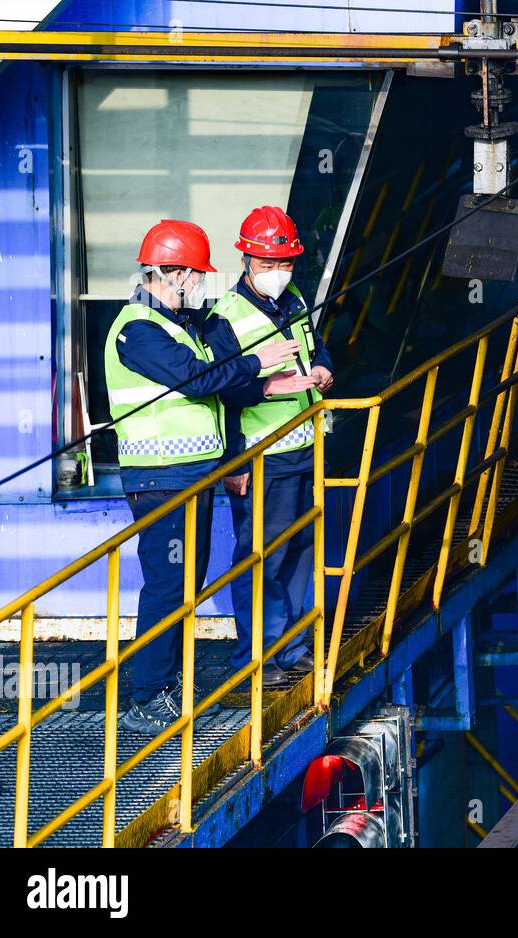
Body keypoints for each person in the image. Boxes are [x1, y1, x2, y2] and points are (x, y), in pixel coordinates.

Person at [105, 219, 314, 735]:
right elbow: (201, 382)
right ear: (167, 272)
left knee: (185, 587)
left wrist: (228, 460)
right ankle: (145, 698)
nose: (200, 283)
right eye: (195, 274)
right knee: (167, 587)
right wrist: (257, 364)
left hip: (190, 477)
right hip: (160, 480)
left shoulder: (180, 325)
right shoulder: (138, 330)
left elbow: (215, 392)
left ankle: (166, 688)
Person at [205, 207, 335, 688]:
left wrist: (322, 367)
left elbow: (316, 344)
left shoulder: (295, 299)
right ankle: (254, 659)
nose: (279, 274)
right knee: (263, 553)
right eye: (268, 265)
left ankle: (289, 648)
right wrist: (267, 388)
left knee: (300, 546)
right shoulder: (225, 320)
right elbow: (219, 390)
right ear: (246, 262)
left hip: (306, 442)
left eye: (286, 264)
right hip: (263, 455)